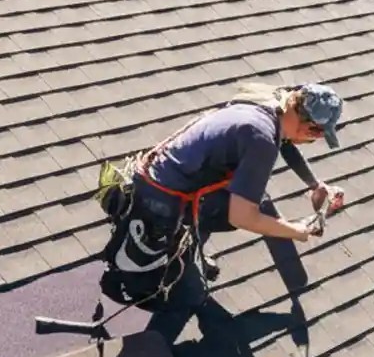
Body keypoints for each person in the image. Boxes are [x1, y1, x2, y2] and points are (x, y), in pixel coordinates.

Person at [97, 82, 347, 327]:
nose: (313, 140)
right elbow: (243, 216)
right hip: (161, 202)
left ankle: (189, 248)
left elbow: (286, 141)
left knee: (244, 198)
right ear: (310, 128)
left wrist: (315, 184)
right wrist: (297, 231)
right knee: (190, 296)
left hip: (170, 177)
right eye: (316, 136)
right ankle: (173, 269)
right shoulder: (261, 139)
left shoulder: (273, 103)